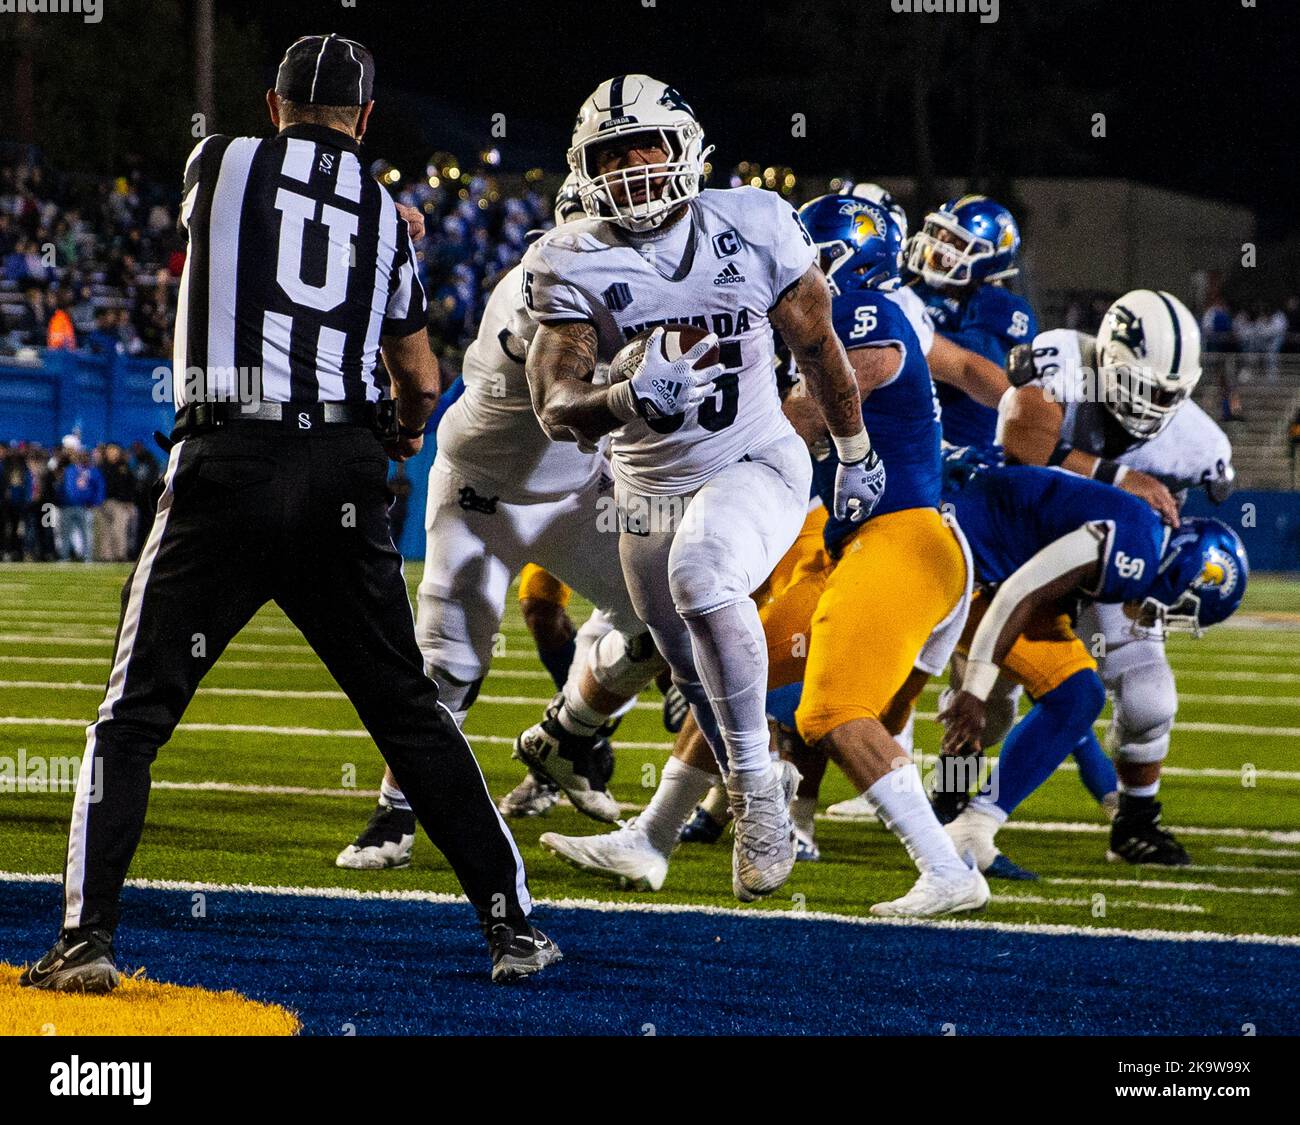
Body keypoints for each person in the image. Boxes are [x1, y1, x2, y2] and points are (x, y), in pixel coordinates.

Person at [20, 33, 558, 995]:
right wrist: (398, 429)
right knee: (408, 714)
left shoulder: (216, 160)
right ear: (363, 119)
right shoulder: (393, 220)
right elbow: (418, 375)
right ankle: (511, 925)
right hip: (341, 470)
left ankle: (86, 937)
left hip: (225, 459)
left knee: (131, 720)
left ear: (272, 107)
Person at [540, 195, 988, 916]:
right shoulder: (832, 309)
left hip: (904, 535)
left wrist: (690, 412)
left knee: (831, 710)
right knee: (725, 663)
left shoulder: (866, 311)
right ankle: (652, 836)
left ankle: (947, 867)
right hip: (852, 543)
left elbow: (813, 406)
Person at [517, 75, 883, 903]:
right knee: (695, 674)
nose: (635, 167)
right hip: (645, 496)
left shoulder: (751, 224)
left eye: (647, 145)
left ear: (687, 148)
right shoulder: (571, 258)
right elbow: (554, 406)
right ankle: (693, 818)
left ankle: (761, 800)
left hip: (755, 459)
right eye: (614, 154)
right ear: (585, 168)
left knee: (704, 573)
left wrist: (854, 449)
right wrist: (622, 399)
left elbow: (821, 347)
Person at [334, 175, 667, 870]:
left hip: (572, 495)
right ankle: (395, 815)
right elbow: (565, 404)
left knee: (668, 612)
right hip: (481, 495)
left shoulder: (637, 291)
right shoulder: (537, 294)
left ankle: (568, 736)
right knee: (449, 663)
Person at [995, 289, 1233, 863]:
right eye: (1143, 384)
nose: (1152, 403)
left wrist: (1177, 570)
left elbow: (1183, 530)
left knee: (1151, 696)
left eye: (1167, 393)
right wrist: (1117, 477)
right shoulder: (1064, 361)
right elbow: (1021, 442)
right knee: (986, 705)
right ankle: (950, 804)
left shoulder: (1200, 444)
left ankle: (1136, 824)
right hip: (1022, 545)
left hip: (1108, 566)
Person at [937, 453, 1248, 875]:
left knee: (1044, 703)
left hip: (982, 553)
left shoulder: (1139, 537)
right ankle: (962, 823)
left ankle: (949, 810)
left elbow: (1069, 721)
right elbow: (1019, 594)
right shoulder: (1133, 550)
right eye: (1181, 607)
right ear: (1180, 573)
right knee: (1032, 700)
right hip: (964, 556)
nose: (1165, 618)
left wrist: (1106, 794)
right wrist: (973, 689)